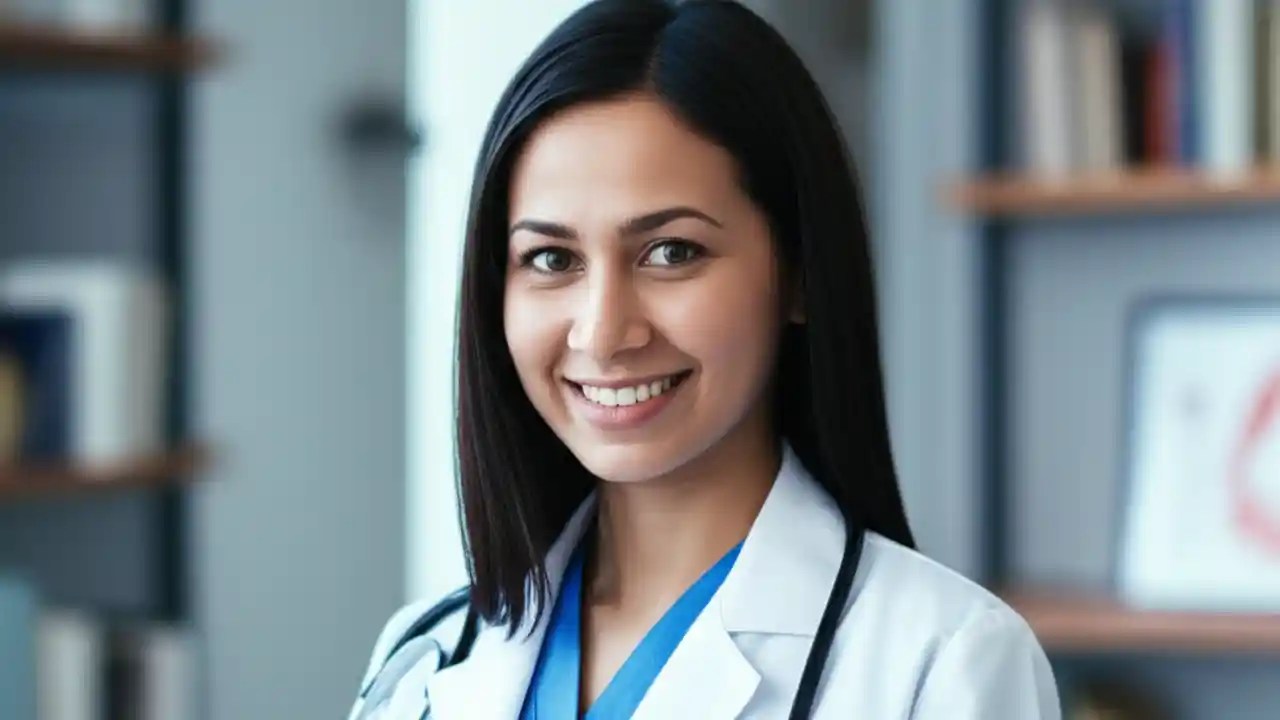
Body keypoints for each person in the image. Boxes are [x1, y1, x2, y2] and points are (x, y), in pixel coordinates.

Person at [349, 1, 1061, 718]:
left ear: (799, 273)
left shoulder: (944, 662)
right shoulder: (422, 657)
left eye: (671, 252)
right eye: (552, 259)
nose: (602, 333)